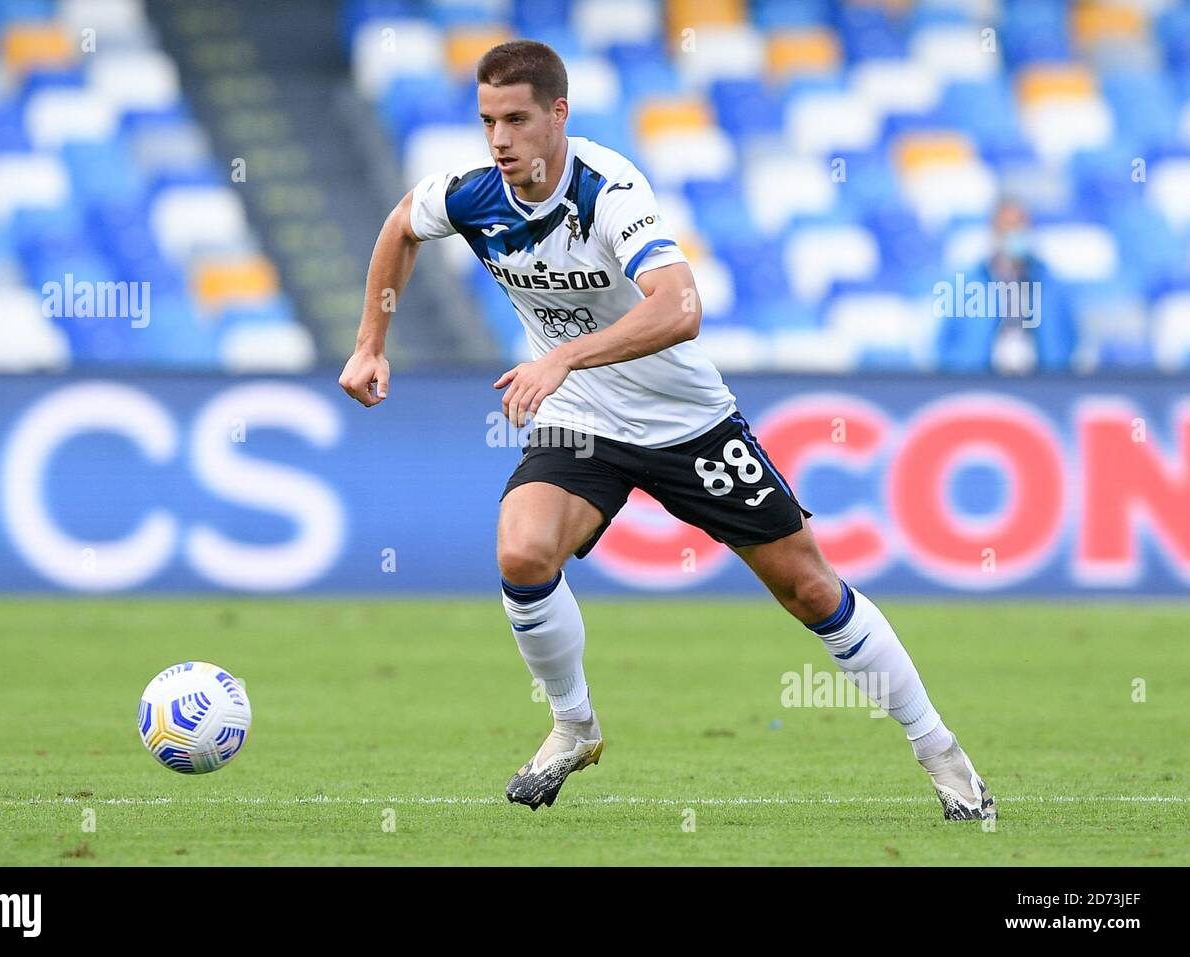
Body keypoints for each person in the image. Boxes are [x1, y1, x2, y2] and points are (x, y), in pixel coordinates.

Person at [339, 40, 994, 819]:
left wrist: (565, 357)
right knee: (522, 548)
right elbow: (400, 228)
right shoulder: (471, 193)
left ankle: (942, 754)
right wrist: (370, 342)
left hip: (684, 420)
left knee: (808, 585)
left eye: (516, 119)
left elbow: (682, 307)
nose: (500, 139)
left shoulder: (609, 189)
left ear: (559, 114)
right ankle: (573, 725)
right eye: (487, 121)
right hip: (582, 416)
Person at [937, 199, 1076, 374]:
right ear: (994, 232)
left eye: (1020, 226)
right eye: (1007, 227)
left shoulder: (1051, 286)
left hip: (1041, 384)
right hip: (981, 385)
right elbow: (946, 344)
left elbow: (1068, 338)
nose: (1015, 233)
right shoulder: (967, 286)